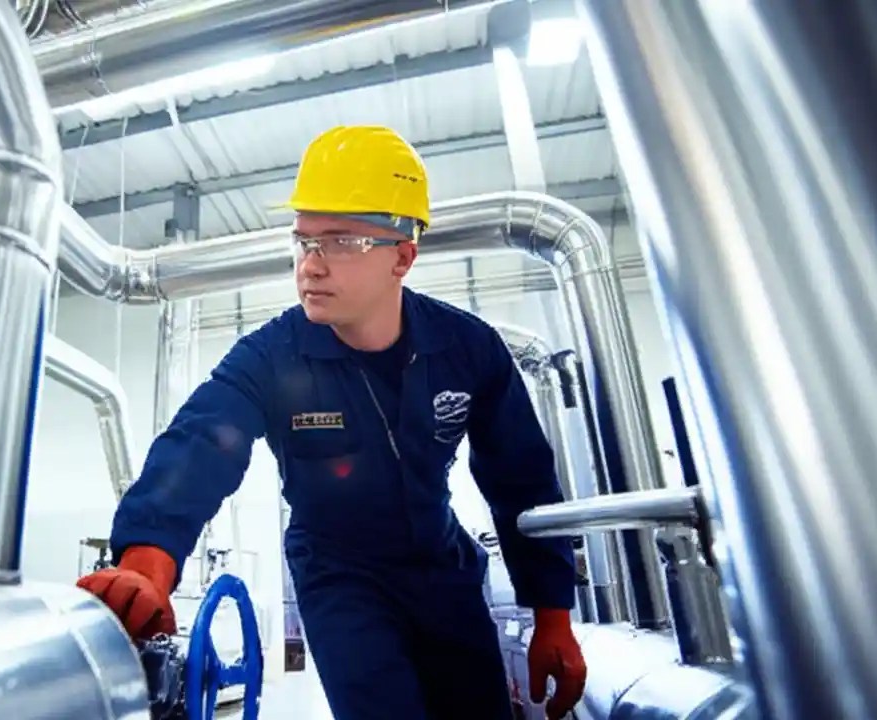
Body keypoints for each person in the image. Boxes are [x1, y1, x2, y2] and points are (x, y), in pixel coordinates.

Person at [77, 125, 587, 720]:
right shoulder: (271, 358)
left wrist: (553, 616)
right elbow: (198, 447)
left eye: (340, 241)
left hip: (441, 567)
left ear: (403, 255)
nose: (310, 267)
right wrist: (145, 567)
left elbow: (520, 479)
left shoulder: (467, 350)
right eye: (303, 241)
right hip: (339, 574)